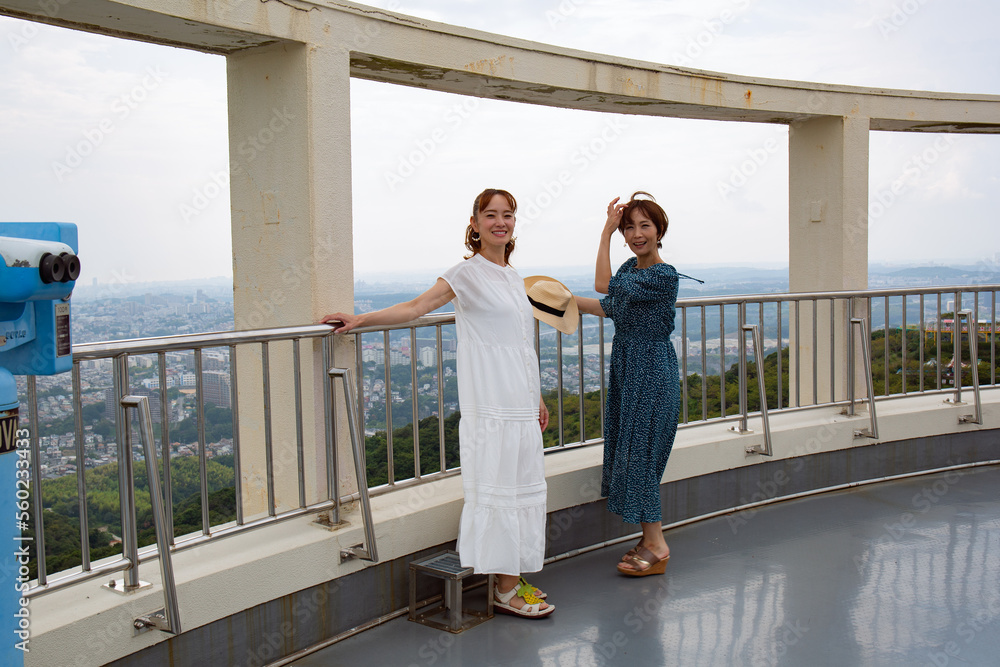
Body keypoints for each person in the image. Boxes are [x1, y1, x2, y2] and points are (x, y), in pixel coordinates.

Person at [321, 188, 554, 618]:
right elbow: (417, 307)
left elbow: (521, 343)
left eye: (508, 215)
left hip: (519, 404)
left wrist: (535, 395)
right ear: (475, 223)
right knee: (499, 486)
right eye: (490, 215)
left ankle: (511, 577)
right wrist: (359, 320)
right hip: (493, 404)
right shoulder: (466, 275)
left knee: (521, 487)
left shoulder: (513, 276)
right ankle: (503, 588)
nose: (500, 222)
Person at [574, 192, 695, 576]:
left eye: (644, 226)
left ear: (660, 231)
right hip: (628, 366)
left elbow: (600, 285)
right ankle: (647, 538)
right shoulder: (630, 268)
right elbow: (607, 306)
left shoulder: (663, 275)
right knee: (629, 449)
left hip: (651, 368)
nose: (636, 234)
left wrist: (605, 231)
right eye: (629, 227)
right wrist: (552, 297)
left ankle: (658, 544)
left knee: (640, 453)